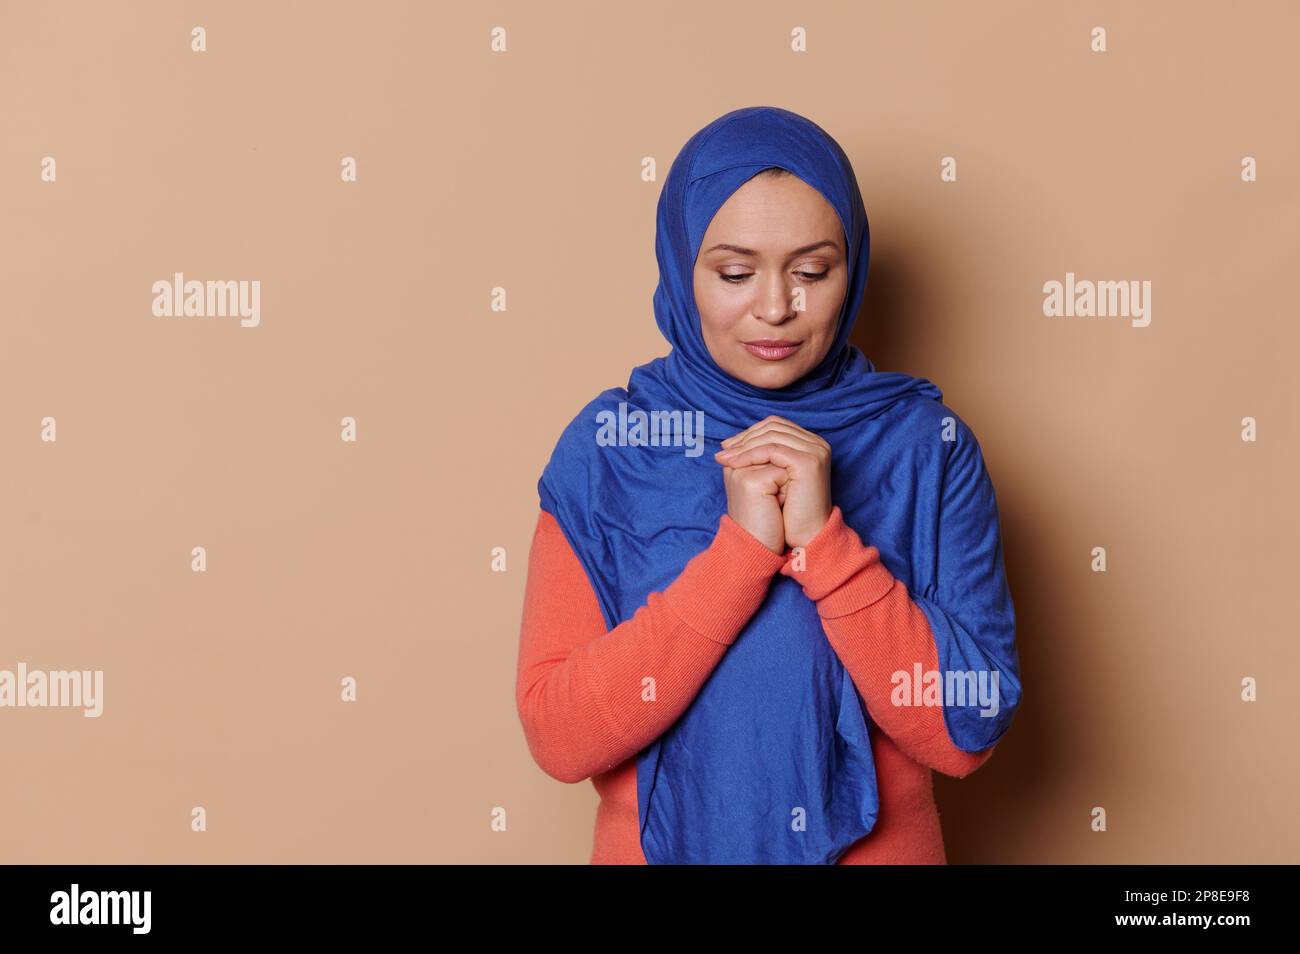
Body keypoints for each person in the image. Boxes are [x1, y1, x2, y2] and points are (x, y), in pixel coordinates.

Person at [516, 106, 1022, 864]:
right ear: (681, 265)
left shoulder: (928, 445)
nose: (777, 306)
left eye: (814, 270)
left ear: (853, 271)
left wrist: (827, 547)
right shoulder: (611, 451)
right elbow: (560, 738)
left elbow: (967, 727)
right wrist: (739, 558)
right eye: (735, 272)